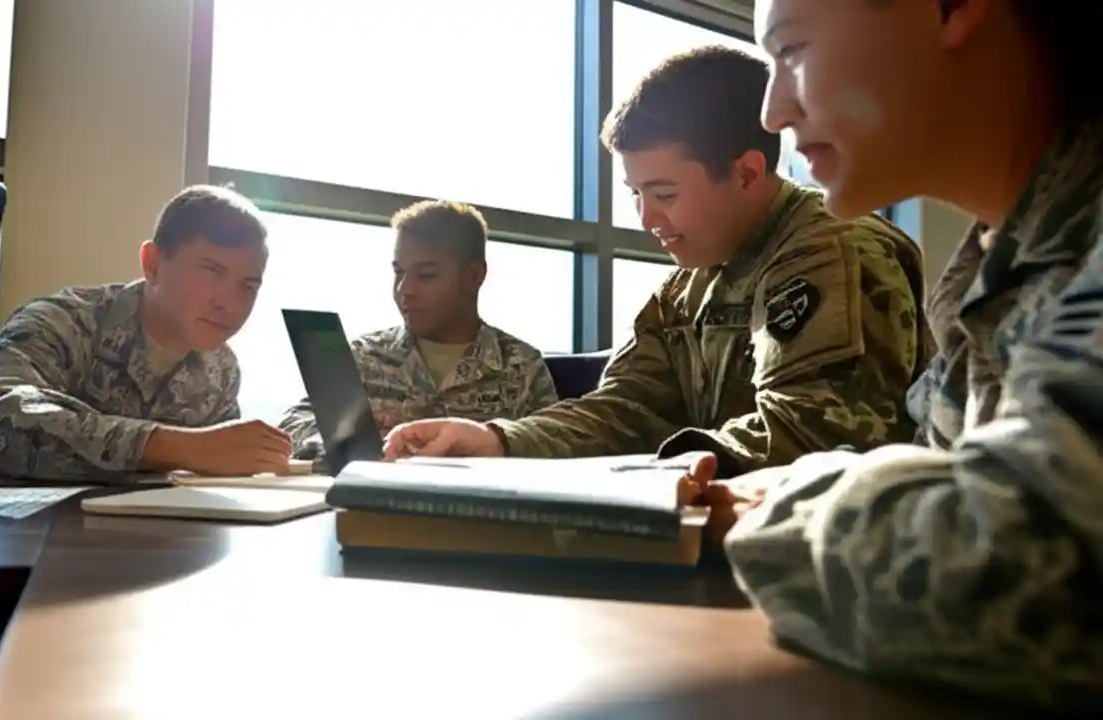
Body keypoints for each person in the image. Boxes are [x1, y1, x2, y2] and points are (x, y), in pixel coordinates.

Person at [691, 0, 1102, 712]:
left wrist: (792, 499)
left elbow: (1035, 576)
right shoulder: (992, 277)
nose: (773, 111)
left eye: (791, 52)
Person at [385, 47, 930, 478]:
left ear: (746, 172)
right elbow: (625, 409)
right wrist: (500, 439)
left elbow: (818, 433)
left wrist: (663, 472)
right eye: (635, 194)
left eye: (664, 193)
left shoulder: (833, 250)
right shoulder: (688, 285)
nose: (647, 218)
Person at [0, 185, 291, 481]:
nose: (228, 304)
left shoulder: (221, 369)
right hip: (1, 537)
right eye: (211, 271)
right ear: (153, 264)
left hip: (146, 543)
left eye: (248, 286)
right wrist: (181, 447)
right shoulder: (64, 322)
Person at [279, 200, 557, 466]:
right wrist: (346, 435)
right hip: (377, 511)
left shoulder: (521, 366)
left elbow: (557, 454)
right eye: (399, 273)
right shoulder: (364, 357)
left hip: (482, 512)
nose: (404, 290)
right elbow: (289, 428)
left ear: (474, 276)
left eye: (426, 276)